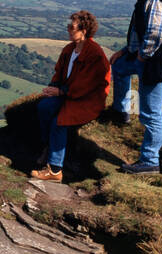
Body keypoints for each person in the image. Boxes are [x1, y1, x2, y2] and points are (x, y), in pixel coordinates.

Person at [103, 0, 162, 174]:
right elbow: (142, 32)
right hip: (141, 57)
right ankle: (122, 112)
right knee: (118, 67)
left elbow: (155, 35)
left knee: (150, 113)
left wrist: (141, 58)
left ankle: (150, 161)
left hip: (153, 63)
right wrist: (126, 51)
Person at [31, 10, 111, 182]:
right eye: (68, 26)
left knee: (59, 122)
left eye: (72, 27)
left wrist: (61, 92)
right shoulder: (69, 49)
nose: (68, 29)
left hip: (87, 100)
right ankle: (49, 146)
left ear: (84, 30)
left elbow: (88, 85)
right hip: (69, 94)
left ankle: (54, 170)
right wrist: (52, 88)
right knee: (44, 107)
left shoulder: (95, 54)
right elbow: (59, 73)